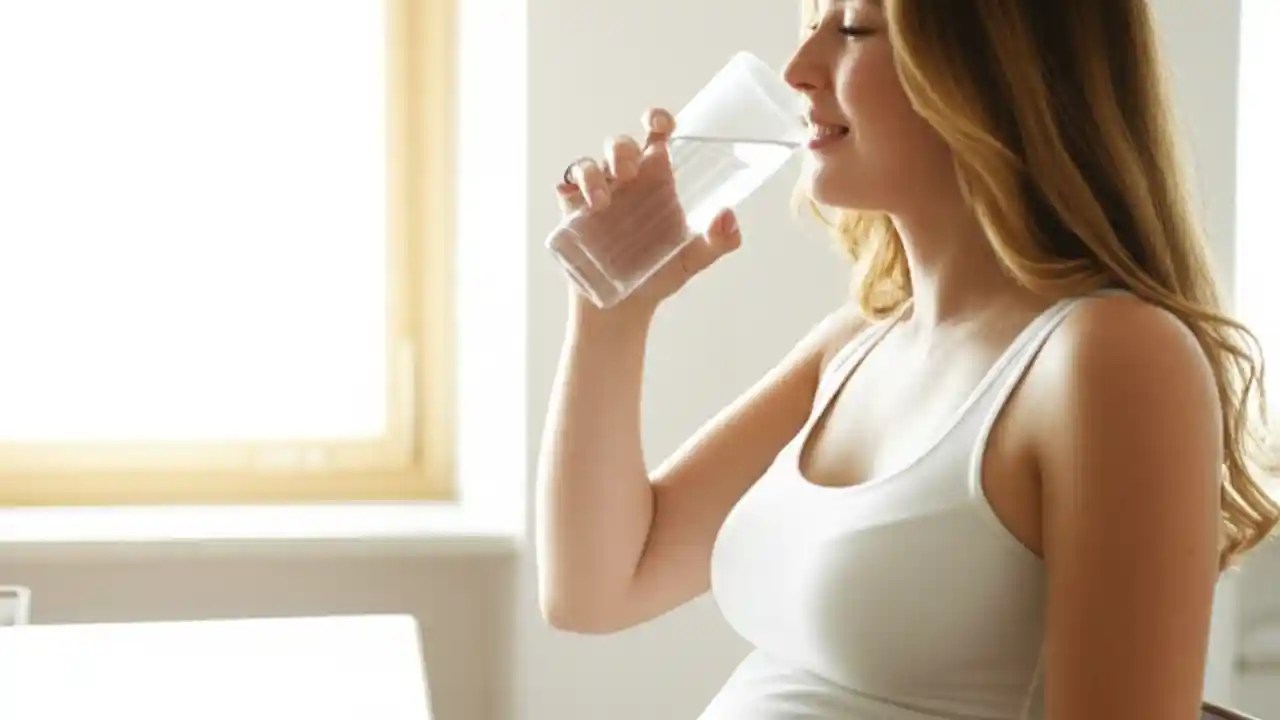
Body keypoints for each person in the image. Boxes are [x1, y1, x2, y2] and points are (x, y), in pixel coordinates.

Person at [536, 0, 1280, 717]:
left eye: (856, 27)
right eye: (815, 21)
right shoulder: (858, 345)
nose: (797, 67)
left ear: (997, 69)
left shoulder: (1107, 360)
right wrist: (610, 314)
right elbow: (598, 588)